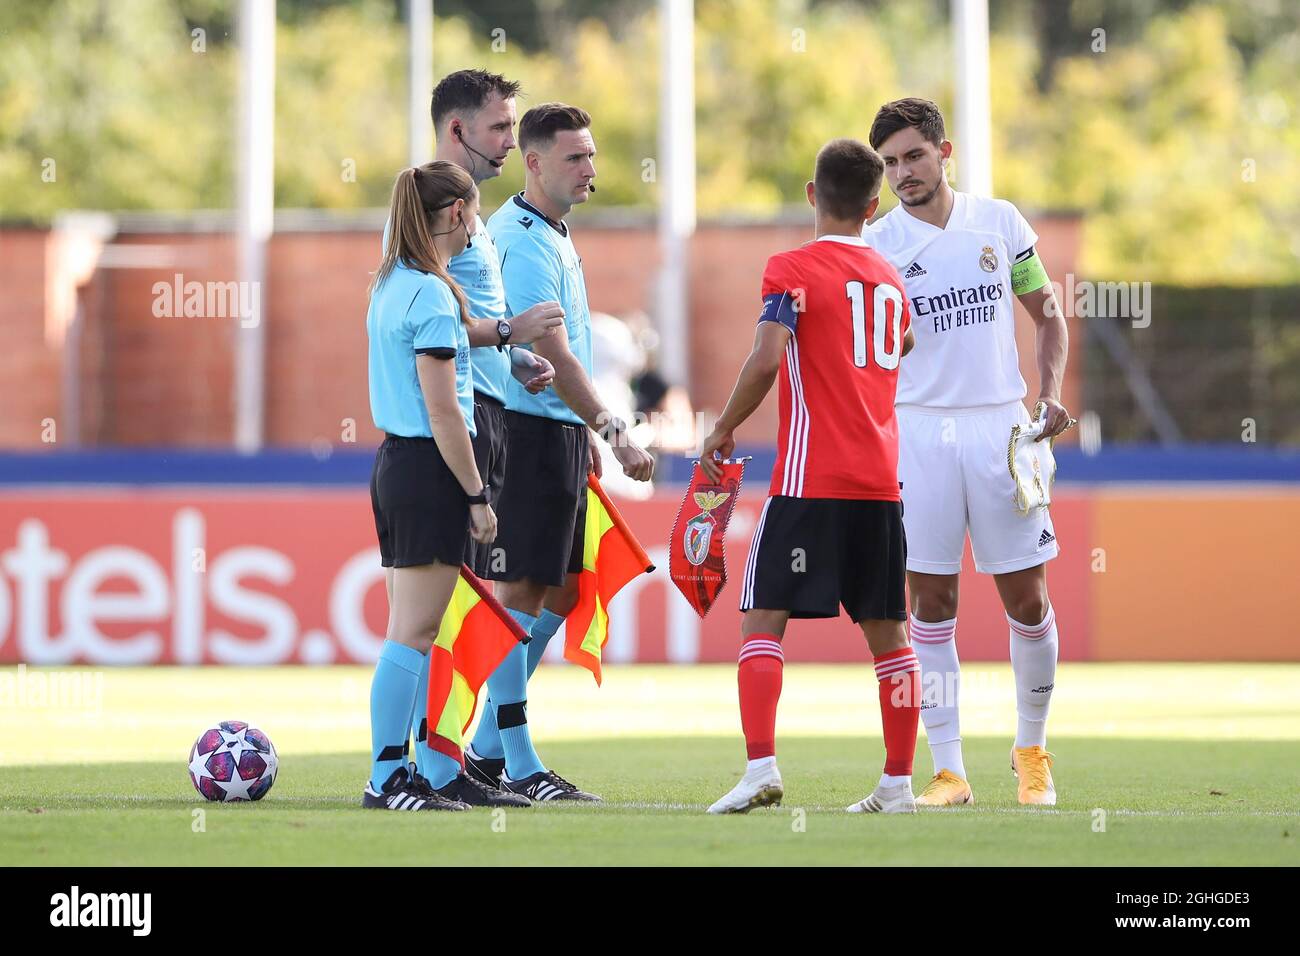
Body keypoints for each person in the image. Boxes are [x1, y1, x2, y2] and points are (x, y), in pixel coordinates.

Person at [699, 139, 921, 814]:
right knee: (891, 634)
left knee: (763, 618)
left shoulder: (790, 268)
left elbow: (767, 358)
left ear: (810, 193)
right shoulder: (889, 278)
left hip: (809, 478)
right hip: (881, 484)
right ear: (873, 204)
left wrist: (721, 427)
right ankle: (898, 783)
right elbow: (902, 342)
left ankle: (761, 768)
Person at [863, 98, 1071, 806]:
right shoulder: (877, 244)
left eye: (913, 156)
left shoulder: (999, 222)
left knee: (1028, 597)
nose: (902, 174)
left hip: (1000, 428)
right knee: (931, 600)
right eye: (889, 164)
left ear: (943, 152)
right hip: (918, 431)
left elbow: (1047, 316)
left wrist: (1048, 393)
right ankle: (949, 768)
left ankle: (1032, 750)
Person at [463, 103, 655, 802]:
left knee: (566, 590)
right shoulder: (520, 239)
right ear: (534, 162)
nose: (591, 170)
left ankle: (485, 747)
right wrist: (613, 431)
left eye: (592, 155)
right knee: (516, 595)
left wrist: (582, 437)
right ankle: (515, 759)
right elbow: (557, 356)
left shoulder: (554, 233)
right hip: (526, 435)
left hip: (558, 433)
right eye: (576, 158)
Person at [399, 68, 567, 808]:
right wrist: (507, 331)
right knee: (442, 610)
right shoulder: (427, 211)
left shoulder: (470, 211)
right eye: (499, 128)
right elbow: (424, 315)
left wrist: (514, 355)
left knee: (466, 604)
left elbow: (462, 322)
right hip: (454, 426)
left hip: (491, 413)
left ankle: (445, 762)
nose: (510, 141)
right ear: (458, 129)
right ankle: (423, 766)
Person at [363, 160, 501, 811]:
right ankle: (387, 776)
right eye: (473, 211)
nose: (477, 224)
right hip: (429, 470)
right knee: (414, 633)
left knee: (411, 628)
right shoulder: (431, 294)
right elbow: (444, 408)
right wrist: (476, 494)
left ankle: (406, 769)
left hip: (398, 466)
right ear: (456, 214)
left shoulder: (393, 282)